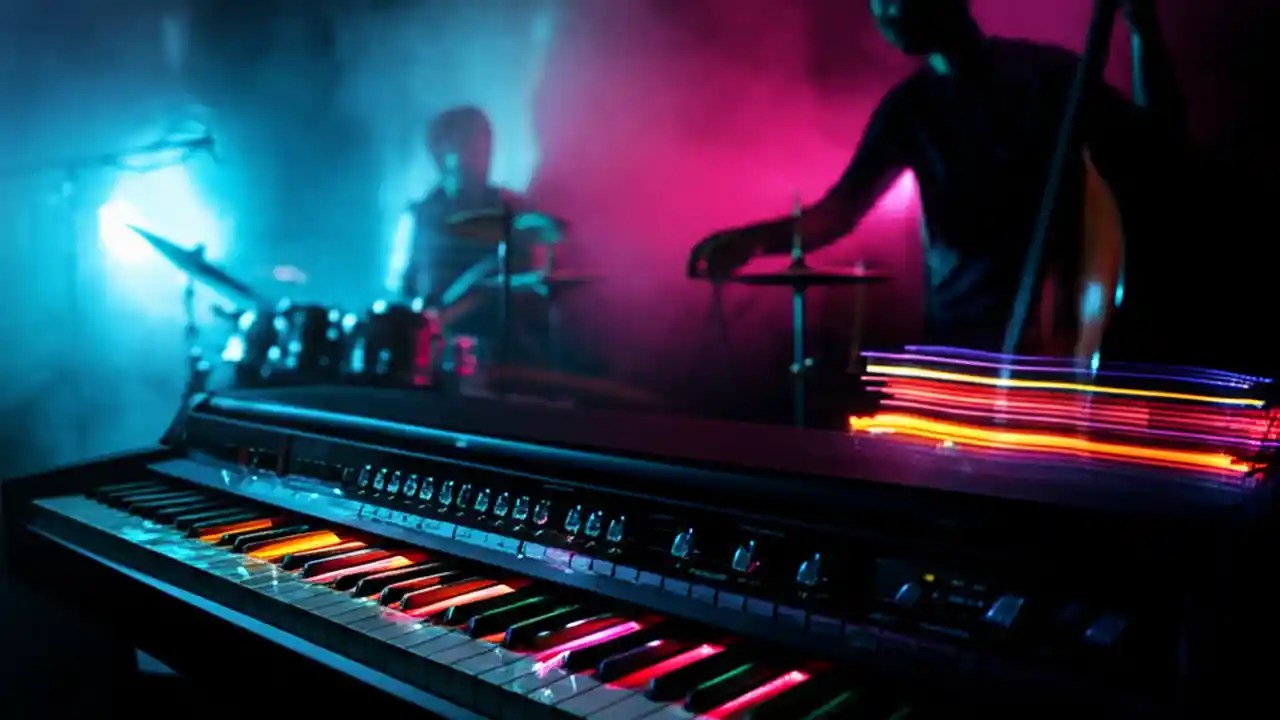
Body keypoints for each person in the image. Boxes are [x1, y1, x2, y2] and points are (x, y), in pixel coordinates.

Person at [688, 0, 1184, 357]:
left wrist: (1143, 29)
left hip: (1054, 340)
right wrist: (752, 240)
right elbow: (836, 215)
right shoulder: (909, 109)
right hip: (956, 345)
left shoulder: (1047, 78)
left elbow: (1159, 139)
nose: (883, 11)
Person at [399, 106, 558, 337]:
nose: (480, 160)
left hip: (499, 337)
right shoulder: (418, 216)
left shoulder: (513, 211)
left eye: (484, 150)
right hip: (436, 339)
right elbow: (404, 288)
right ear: (440, 153)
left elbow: (527, 281)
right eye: (468, 149)